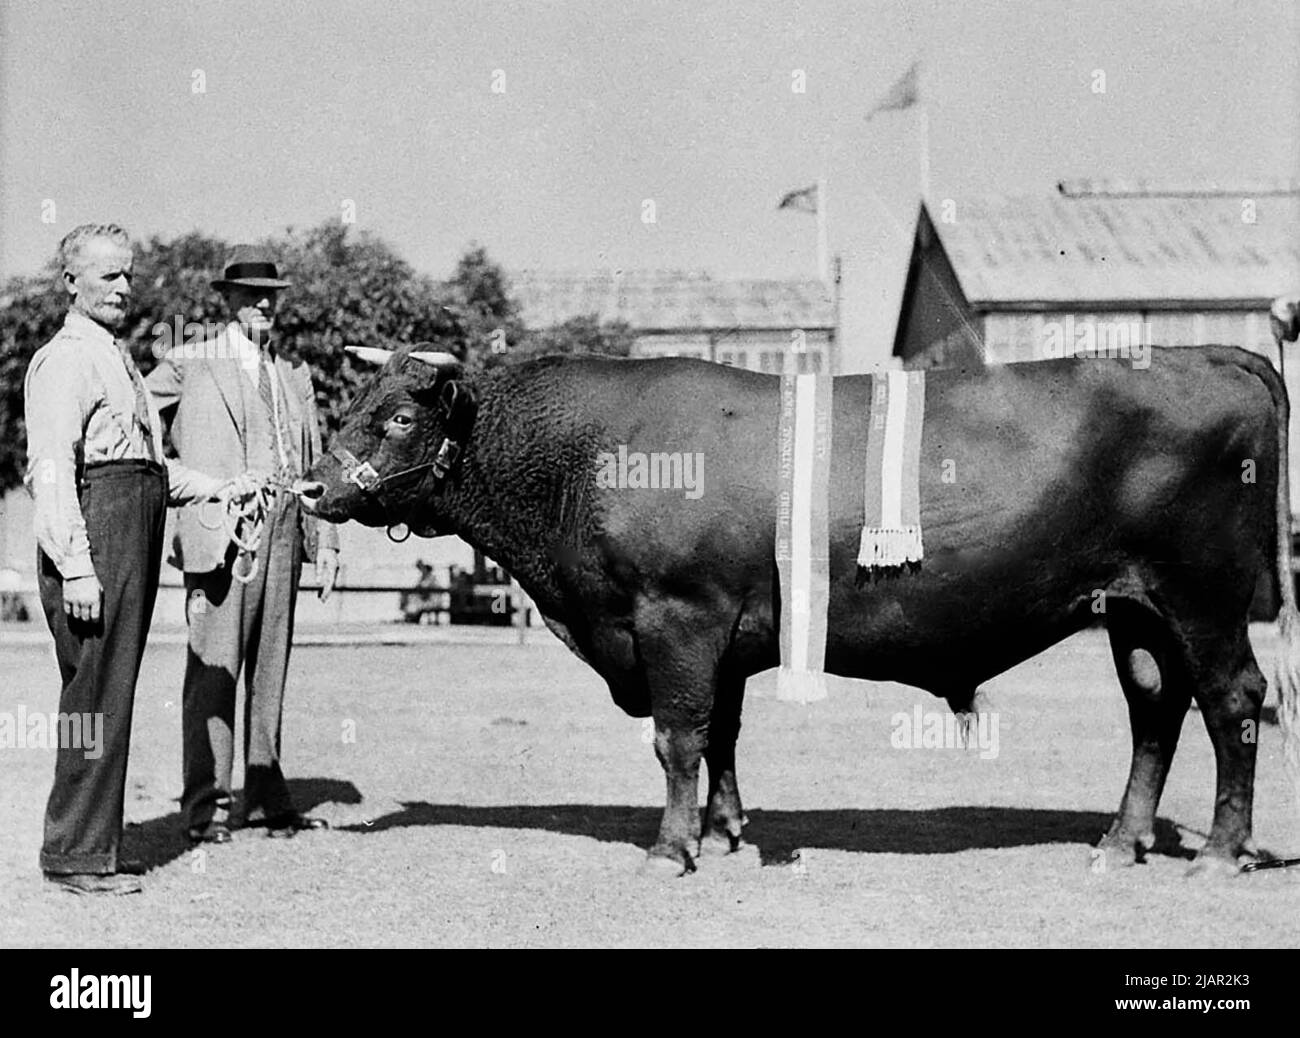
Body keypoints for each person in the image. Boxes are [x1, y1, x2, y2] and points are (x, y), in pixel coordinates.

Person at [24, 223, 253, 895]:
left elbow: (149, 468)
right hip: (97, 538)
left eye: (127, 275)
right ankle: (73, 854)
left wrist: (218, 485)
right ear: (71, 282)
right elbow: (52, 471)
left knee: (109, 695)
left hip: (130, 527)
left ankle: (91, 846)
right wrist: (77, 568)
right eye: (107, 276)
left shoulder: (116, 357)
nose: (122, 287)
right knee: (93, 698)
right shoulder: (65, 359)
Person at [146, 245, 340, 844]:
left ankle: (265, 794)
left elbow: (314, 464)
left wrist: (326, 541)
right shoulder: (188, 362)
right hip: (220, 534)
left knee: (271, 670)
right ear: (226, 300)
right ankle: (205, 808)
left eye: (271, 295)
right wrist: (179, 487)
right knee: (214, 673)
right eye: (251, 294)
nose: (263, 303)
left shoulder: (293, 373)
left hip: (284, 532)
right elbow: (133, 423)